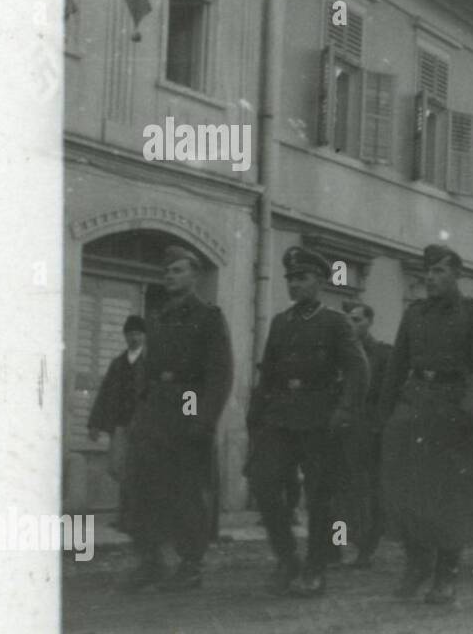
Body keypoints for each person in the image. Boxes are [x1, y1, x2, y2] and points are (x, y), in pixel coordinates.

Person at [379, 244, 473, 603]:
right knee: (410, 493)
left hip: (454, 411)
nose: (431, 278)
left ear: (457, 275)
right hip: (415, 408)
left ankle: (446, 573)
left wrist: (471, 410)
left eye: (440, 272)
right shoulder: (414, 314)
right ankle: (417, 566)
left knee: (450, 496)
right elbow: (397, 366)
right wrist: (385, 416)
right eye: (428, 272)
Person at [248, 247, 367, 597]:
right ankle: (287, 558)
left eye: (302, 278)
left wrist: (344, 410)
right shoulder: (280, 322)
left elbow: (358, 369)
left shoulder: (335, 322)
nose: (295, 285)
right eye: (291, 279)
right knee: (264, 482)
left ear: (320, 282)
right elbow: (268, 372)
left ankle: (316, 567)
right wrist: (257, 415)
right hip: (280, 416)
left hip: (320, 418)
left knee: (320, 496)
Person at [123, 248, 233, 591]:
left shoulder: (208, 316)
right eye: (166, 270)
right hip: (155, 408)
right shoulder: (158, 316)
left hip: (187, 399)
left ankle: (190, 563)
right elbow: (146, 367)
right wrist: (141, 409)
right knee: (146, 485)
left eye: (177, 270)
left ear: (194, 276)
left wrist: (201, 420)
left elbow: (219, 373)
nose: (169, 276)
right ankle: (151, 559)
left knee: (186, 487)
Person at [87, 314, 147, 534]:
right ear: (124, 336)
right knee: (119, 469)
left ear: (144, 336)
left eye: (138, 333)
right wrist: (95, 424)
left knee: (140, 472)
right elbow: (105, 393)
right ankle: (125, 517)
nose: (133, 337)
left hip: (144, 428)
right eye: (130, 333)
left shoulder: (151, 363)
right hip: (121, 426)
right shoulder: (118, 363)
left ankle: (137, 519)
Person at [343, 302, 393, 567]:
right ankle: (337, 546)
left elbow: (389, 395)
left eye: (357, 320)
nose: (352, 325)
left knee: (369, 492)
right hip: (342, 431)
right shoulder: (340, 353)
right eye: (349, 320)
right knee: (341, 492)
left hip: (371, 433)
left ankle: (366, 550)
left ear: (369, 322)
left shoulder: (383, 355)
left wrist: (378, 427)